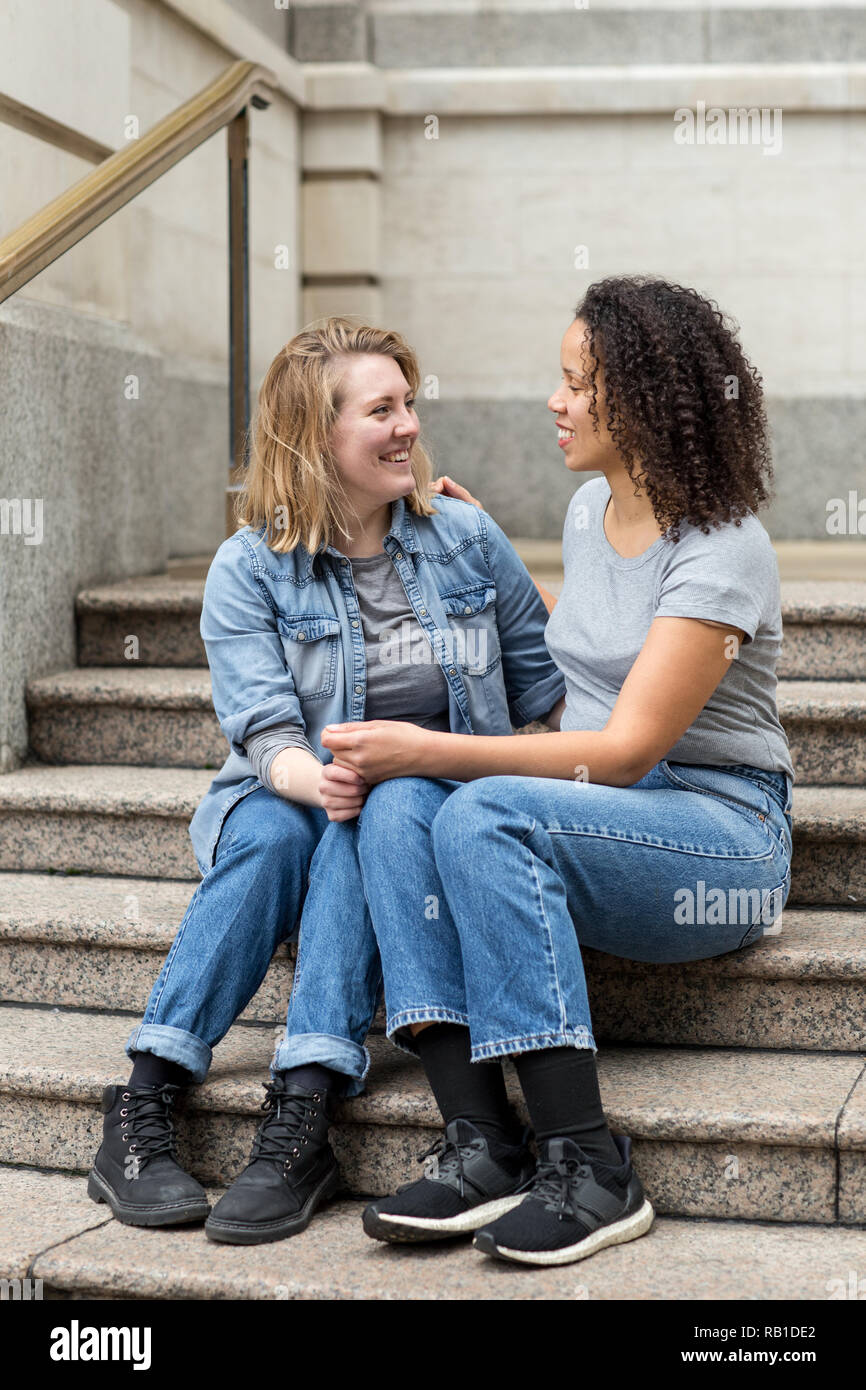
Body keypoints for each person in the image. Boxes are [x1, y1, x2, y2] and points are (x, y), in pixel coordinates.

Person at [291, 275, 794, 1267]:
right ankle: (480, 1141)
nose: (553, 403)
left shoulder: (723, 547)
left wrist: (428, 747)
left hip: (721, 835)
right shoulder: (585, 511)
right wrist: (487, 559)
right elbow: (588, 664)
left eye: (574, 384)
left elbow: (623, 748)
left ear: (642, 399)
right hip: (612, 817)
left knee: (476, 814)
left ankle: (585, 1160)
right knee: (397, 810)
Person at [85, 317, 565, 1240]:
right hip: (295, 795)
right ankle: (146, 1105)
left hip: (430, 808)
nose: (409, 427)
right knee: (281, 824)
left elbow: (548, 689)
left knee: (375, 809)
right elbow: (263, 732)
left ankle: (298, 1109)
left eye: (410, 405)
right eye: (381, 410)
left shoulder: (463, 536)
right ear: (315, 436)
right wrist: (320, 780)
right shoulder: (248, 568)